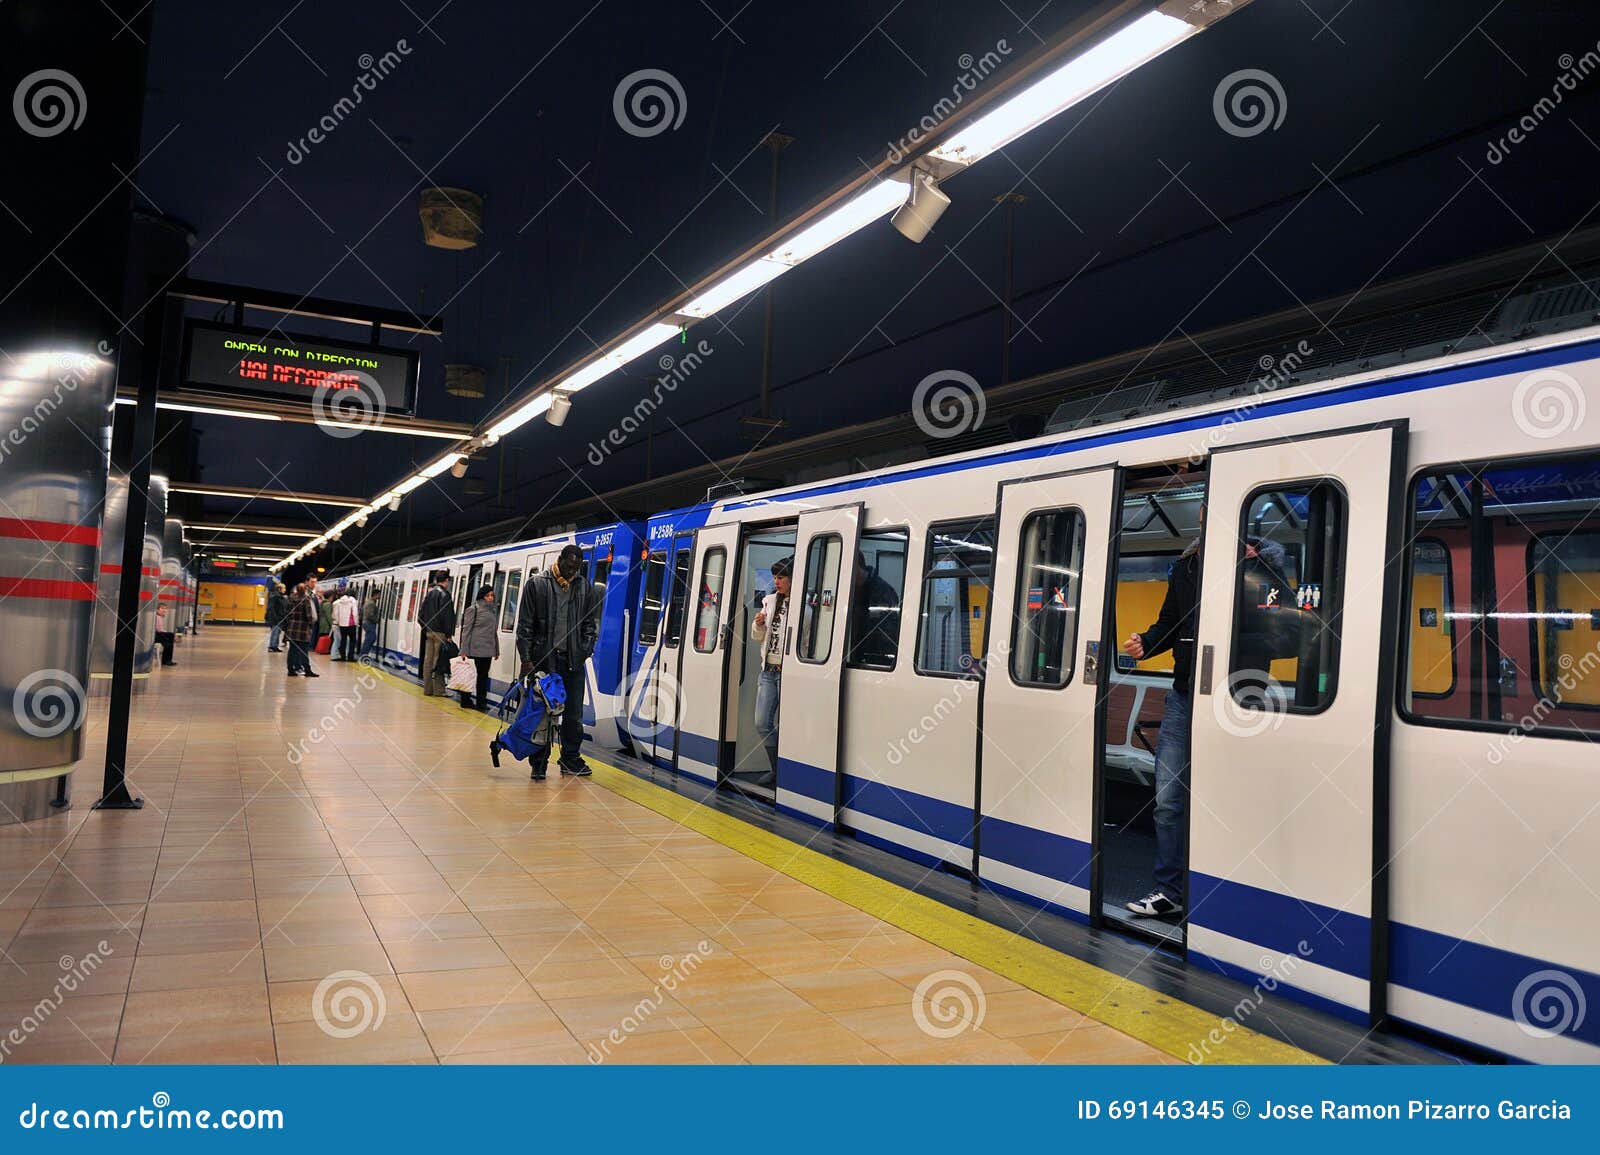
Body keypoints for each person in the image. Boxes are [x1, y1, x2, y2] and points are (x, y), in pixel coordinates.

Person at [1120, 505, 1286, 920]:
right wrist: (1147, 643)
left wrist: (1255, 577)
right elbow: (1171, 623)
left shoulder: (1266, 567)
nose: (1207, 524)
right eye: (1204, 518)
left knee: (1231, 798)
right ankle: (1169, 892)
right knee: (1169, 800)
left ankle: (1234, 892)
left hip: (1239, 699)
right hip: (1184, 696)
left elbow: (1285, 635)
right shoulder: (1186, 567)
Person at [515, 544, 599, 779]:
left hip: (573, 661)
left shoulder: (584, 587)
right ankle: (539, 762)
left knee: (574, 714)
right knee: (541, 713)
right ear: (560, 560)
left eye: (577, 568)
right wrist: (527, 659)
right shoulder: (537, 584)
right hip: (544, 661)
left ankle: (570, 758)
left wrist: (585, 650)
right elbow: (525, 626)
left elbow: (590, 625)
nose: (572, 571)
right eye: (569, 566)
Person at [750, 555, 793, 788]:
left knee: (788, 723)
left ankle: (786, 772)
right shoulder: (768, 601)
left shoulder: (804, 602)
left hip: (789, 672)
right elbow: (757, 637)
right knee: (762, 721)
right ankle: (776, 768)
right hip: (768, 670)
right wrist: (758, 624)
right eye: (775, 577)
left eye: (782, 577)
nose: (777, 581)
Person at [847, 550, 900, 667]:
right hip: (854, 655)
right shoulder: (850, 590)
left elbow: (889, 631)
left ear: (856, 566)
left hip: (877, 659)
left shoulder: (883, 591)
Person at [457, 585, 499, 711]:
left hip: (487, 651)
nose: (491, 598)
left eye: (492, 595)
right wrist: (463, 650)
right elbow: (466, 631)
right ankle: (465, 700)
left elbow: (493, 632)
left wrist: (496, 650)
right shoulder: (473, 609)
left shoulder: (492, 611)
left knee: (483, 677)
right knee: (469, 675)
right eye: (488, 595)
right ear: (482, 596)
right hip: (473, 649)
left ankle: (481, 702)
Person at [417, 571, 456, 696]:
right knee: (440, 661)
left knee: (428, 661)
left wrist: (426, 627)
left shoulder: (430, 594)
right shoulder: (445, 595)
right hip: (441, 633)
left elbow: (420, 615)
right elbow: (448, 617)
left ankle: (427, 690)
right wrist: (449, 634)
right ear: (445, 581)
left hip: (429, 632)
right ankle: (439, 690)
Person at [284, 581, 320, 678]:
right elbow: (308, 615)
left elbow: (286, 613)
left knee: (292, 650)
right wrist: (311, 625)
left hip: (292, 628)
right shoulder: (306, 599)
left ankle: (290, 670)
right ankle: (307, 670)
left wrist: (290, 623)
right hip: (303, 629)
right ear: (304, 590)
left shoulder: (290, 598)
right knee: (304, 651)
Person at [333, 588, 360, 661]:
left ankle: (343, 657)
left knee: (343, 640)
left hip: (342, 624)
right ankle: (350, 657)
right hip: (351, 624)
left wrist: (338, 622)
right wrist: (356, 623)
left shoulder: (339, 601)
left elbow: (336, 613)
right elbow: (355, 613)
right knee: (352, 641)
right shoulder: (353, 601)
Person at [266, 582, 287, 652]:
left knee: (278, 633)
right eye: (284, 588)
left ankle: (275, 646)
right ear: (280, 589)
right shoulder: (275, 596)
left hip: (280, 618)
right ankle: (271, 646)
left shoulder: (281, 597)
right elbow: (271, 608)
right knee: (275, 632)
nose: (285, 590)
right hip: (276, 619)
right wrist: (275, 618)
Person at [155, 602, 176, 667]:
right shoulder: (157, 617)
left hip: (158, 634)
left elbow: (161, 629)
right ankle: (166, 660)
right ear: (157, 609)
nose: (164, 610)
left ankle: (167, 660)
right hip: (155, 635)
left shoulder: (159, 617)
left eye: (165, 608)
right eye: (162, 608)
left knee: (170, 637)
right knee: (170, 637)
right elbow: (159, 629)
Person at [361, 592, 380, 658]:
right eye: (379, 594)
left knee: (369, 638)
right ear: (376, 595)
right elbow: (370, 615)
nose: (379, 596)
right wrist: (376, 620)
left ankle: (364, 654)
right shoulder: (371, 603)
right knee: (370, 639)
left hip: (367, 623)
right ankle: (363, 655)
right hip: (369, 623)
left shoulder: (368, 602)